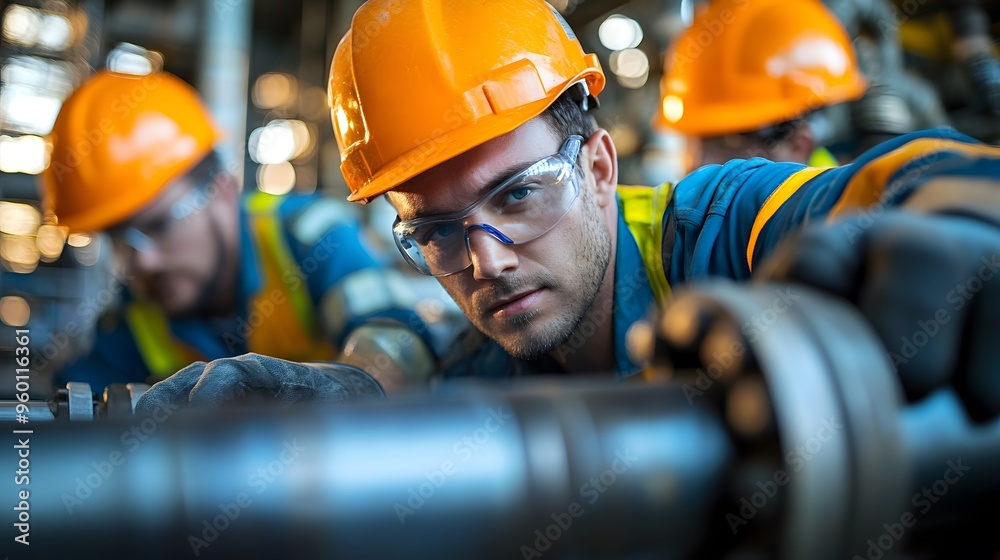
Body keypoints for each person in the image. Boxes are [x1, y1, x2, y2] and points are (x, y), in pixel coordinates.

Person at [139, 0, 1000, 422]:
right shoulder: (475, 370)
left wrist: (958, 220)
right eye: (435, 232)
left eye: (517, 194)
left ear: (597, 165)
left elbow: (886, 182)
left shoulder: (711, 229)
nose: (488, 262)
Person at [41, 70, 437, 393]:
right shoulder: (137, 320)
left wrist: (338, 388)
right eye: (119, 238)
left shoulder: (308, 234)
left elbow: (398, 340)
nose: (142, 259)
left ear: (222, 189)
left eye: (158, 224)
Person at [656, 0, 868, 168]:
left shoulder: (846, 213)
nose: (697, 164)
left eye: (729, 143)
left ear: (799, 143)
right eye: (696, 143)